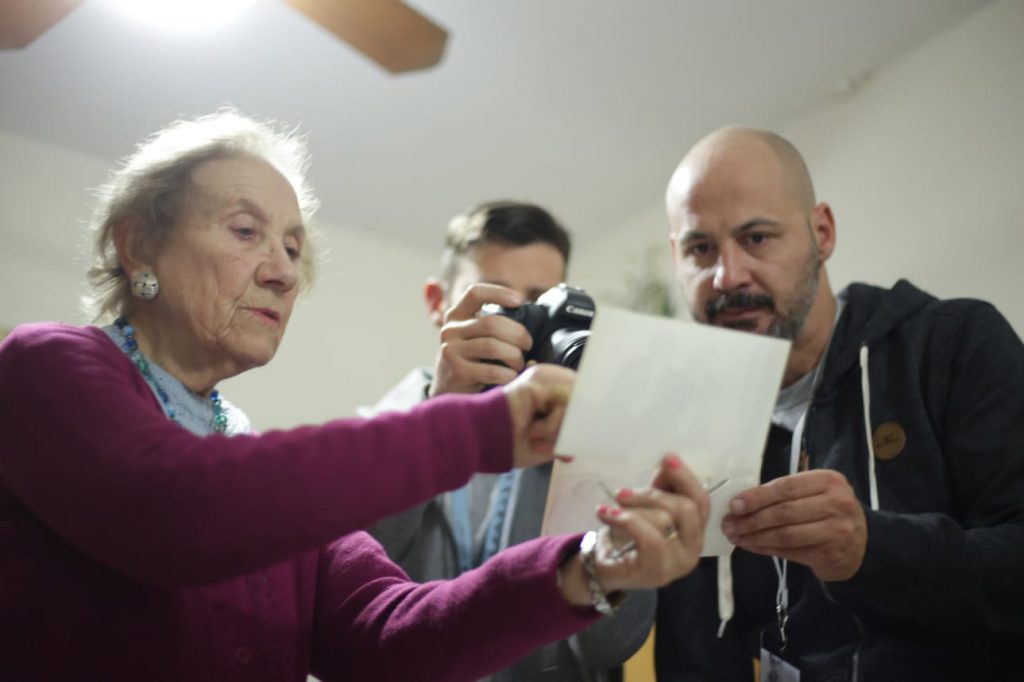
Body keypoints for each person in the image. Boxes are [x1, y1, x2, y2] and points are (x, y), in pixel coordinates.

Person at [0, 110, 711, 681]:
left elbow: (388, 634)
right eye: (247, 231)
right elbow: (175, 507)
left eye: (292, 247)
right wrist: (478, 427)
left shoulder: (251, 463)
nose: (284, 272)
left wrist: (590, 564)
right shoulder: (46, 365)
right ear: (136, 245)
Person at [656, 126, 1024, 680]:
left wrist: (871, 549)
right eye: (700, 249)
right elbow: (696, 648)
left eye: (756, 238)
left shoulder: (951, 344)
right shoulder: (689, 428)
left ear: (822, 232)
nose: (727, 275)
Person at [364, 202, 655, 681]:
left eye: (540, 305)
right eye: (499, 305)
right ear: (438, 303)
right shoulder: (373, 438)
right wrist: (438, 417)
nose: (519, 331)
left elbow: (610, 646)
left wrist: (605, 454)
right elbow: (347, 596)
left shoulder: (589, 448)